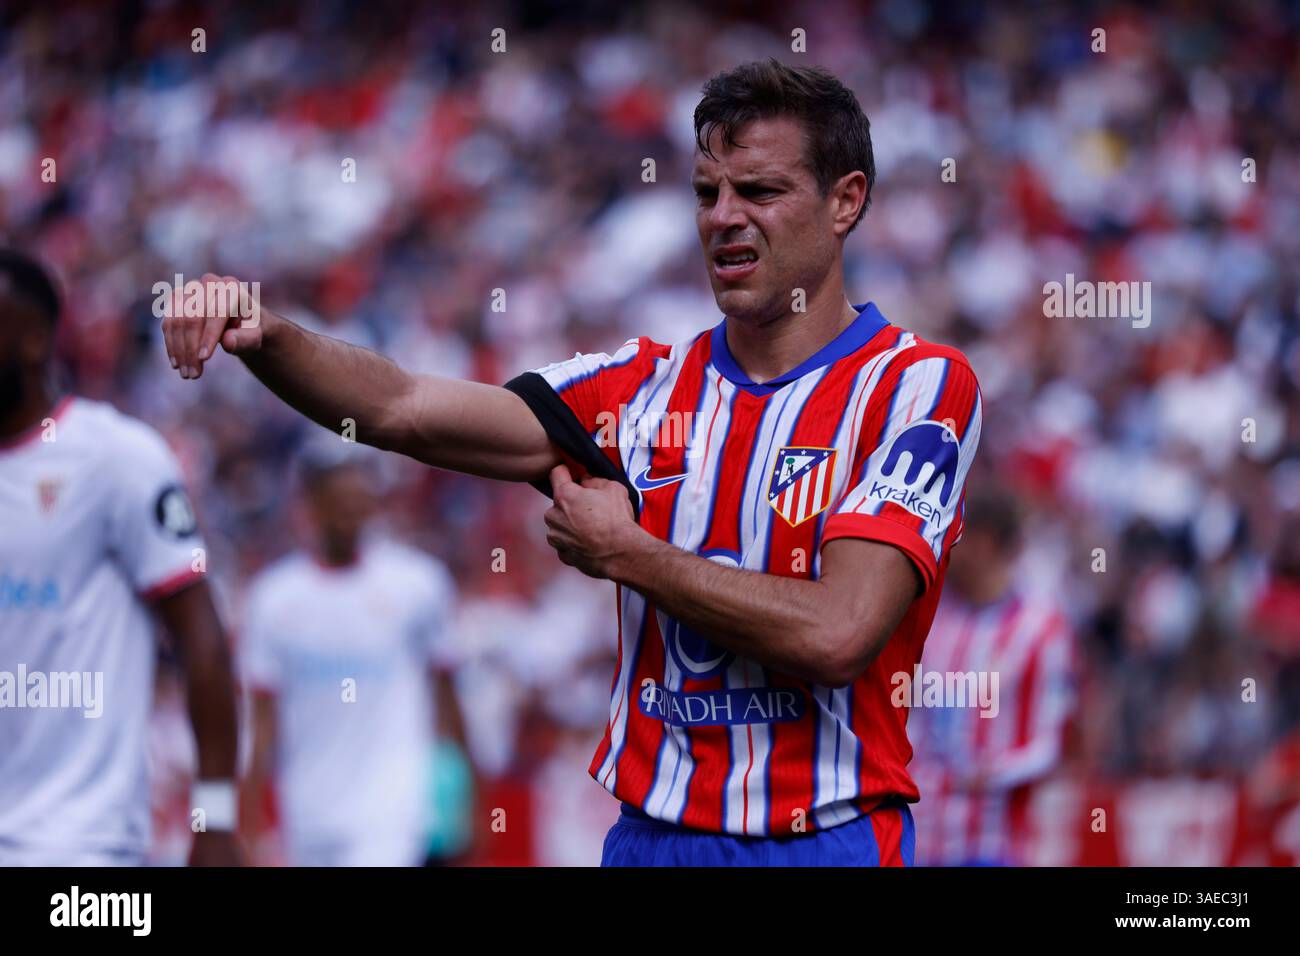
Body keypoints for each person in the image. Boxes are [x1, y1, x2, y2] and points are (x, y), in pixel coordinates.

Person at [163, 59, 983, 866]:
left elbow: (839, 632)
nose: (724, 217)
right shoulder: (640, 388)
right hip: (650, 841)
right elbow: (400, 408)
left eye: (760, 192)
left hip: (823, 842)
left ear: (846, 202)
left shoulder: (915, 389)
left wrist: (632, 556)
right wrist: (269, 335)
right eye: (707, 193)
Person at [0, 248, 243, 866]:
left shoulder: (116, 458)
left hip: (76, 843)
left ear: (32, 339)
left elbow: (201, 639)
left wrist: (214, 818)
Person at [240, 444, 471, 866]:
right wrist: (248, 823)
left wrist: (466, 802)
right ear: (309, 505)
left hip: (391, 814)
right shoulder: (273, 599)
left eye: (359, 501)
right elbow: (261, 720)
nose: (349, 513)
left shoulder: (417, 584)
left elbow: (447, 697)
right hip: (307, 814)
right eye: (337, 502)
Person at [907, 492, 1076, 866]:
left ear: (988, 543)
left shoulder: (1041, 630)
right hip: (920, 838)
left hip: (992, 843)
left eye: (960, 539)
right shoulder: (933, 619)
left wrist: (987, 774)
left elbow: (1049, 746)